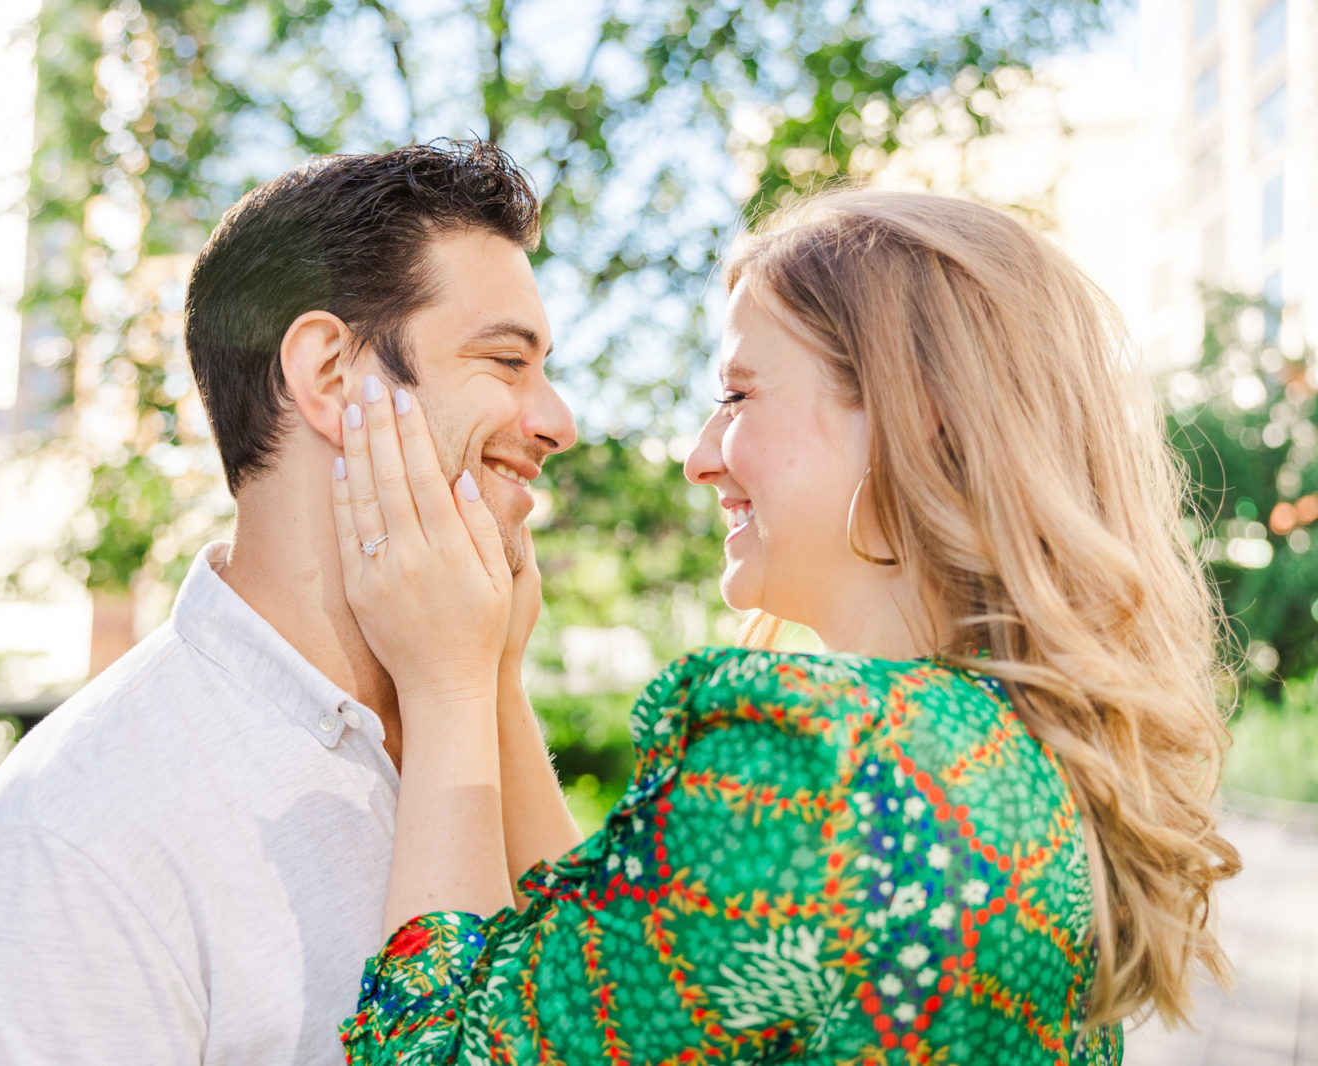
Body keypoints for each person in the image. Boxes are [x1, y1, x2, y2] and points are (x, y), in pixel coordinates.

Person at [331, 189, 1241, 1064]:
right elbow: (608, 986)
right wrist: (494, 676)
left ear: (911, 417)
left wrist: (444, 682)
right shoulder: (1021, 749)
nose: (697, 458)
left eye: (737, 398)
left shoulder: (826, 768)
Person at [0, 141, 579, 1064]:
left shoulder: (468, 719)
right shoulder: (70, 849)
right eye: (507, 362)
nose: (557, 422)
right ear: (331, 375)